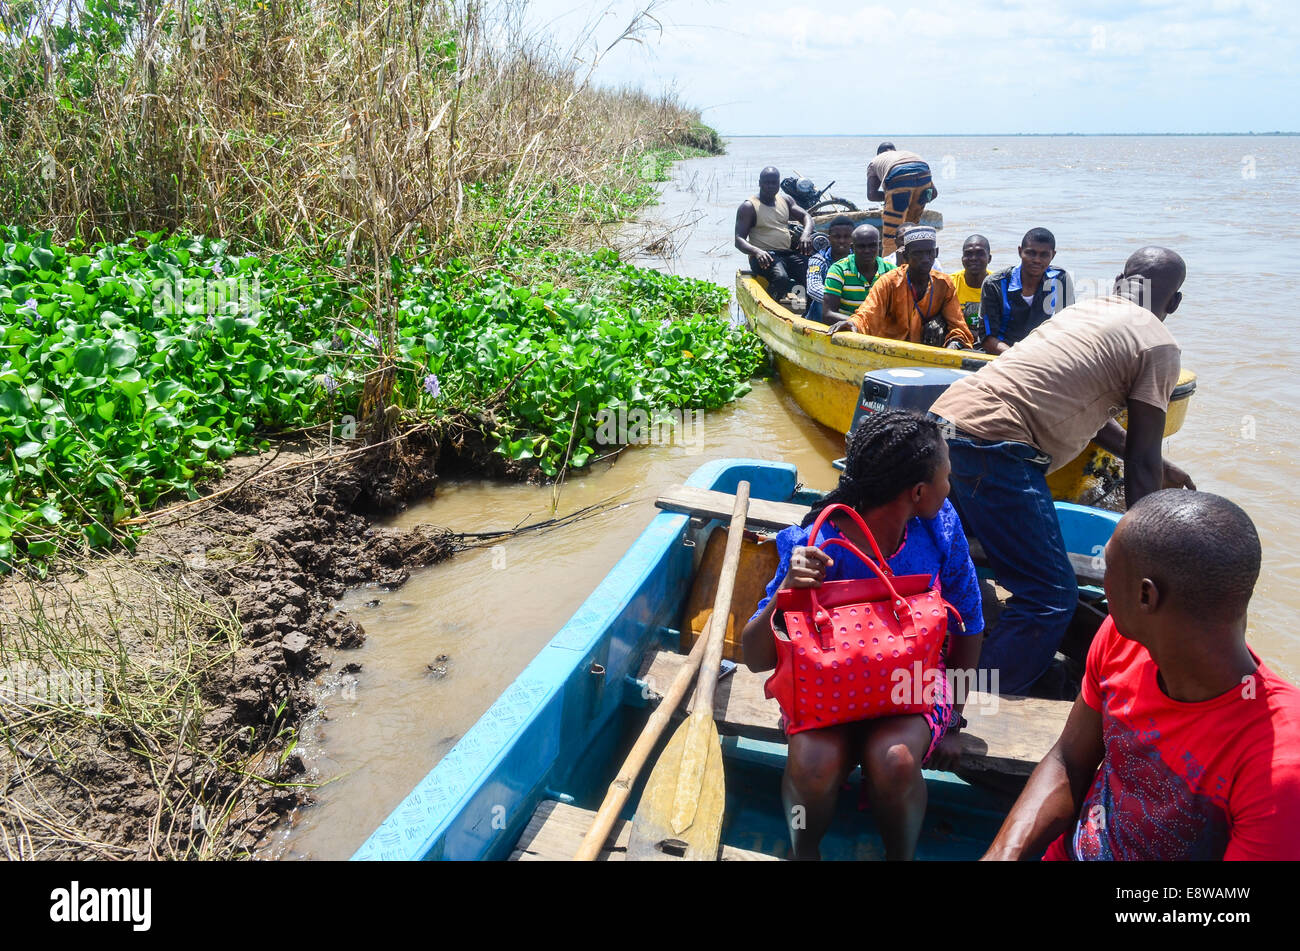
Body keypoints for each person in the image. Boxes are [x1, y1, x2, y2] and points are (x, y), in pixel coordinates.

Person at [929, 246, 1197, 697]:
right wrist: (1146, 563)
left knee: (953, 557)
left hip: (943, 428)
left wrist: (1162, 466)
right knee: (1050, 596)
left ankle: (954, 660)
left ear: (1118, 280)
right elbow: (1142, 462)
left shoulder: (1084, 311)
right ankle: (972, 706)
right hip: (997, 446)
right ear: (1173, 303)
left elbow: (1094, 418)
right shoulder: (1158, 343)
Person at [983, 490, 1300, 861]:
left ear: (1146, 596)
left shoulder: (1279, 766)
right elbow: (1069, 759)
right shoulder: (1121, 638)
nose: (1102, 583)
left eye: (1108, 568)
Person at [741, 411, 985, 860]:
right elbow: (754, 656)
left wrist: (954, 720)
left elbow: (969, 624)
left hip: (911, 687)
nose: (949, 488)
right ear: (917, 492)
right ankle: (803, 850)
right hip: (826, 693)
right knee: (814, 764)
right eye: (946, 478)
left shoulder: (939, 529)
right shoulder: (812, 545)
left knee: (895, 761)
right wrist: (787, 594)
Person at [828, 226, 974, 349]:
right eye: (918, 254)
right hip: (891, 350)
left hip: (926, 350)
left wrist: (954, 345)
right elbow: (867, 315)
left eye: (929, 253)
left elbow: (958, 326)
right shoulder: (889, 282)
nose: (925, 259)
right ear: (905, 255)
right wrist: (852, 323)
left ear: (936, 253)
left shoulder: (944, 284)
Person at [980, 228, 1074, 353]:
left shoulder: (1061, 279)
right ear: (1020, 251)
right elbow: (988, 339)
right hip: (1002, 355)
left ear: (1053, 255)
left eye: (1044, 255)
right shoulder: (994, 284)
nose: (1037, 260)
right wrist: (1018, 357)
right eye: (1031, 253)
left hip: (1041, 353)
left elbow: (1066, 328)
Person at [736, 166, 814, 301]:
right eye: (767, 182)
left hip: (787, 253)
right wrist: (757, 252)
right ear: (760, 183)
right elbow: (738, 240)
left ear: (779, 184)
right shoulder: (749, 206)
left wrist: (806, 235)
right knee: (781, 278)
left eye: (774, 183)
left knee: (811, 273)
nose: (771, 186)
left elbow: (807, 217)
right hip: (764, 257)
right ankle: (769, 305)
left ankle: (805, 310)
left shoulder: (786, 200)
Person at [867, 142, 937, 257]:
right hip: (923, 169)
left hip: (898, 175)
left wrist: (891, 199)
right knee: (912, 233)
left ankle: (889, 271)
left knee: (891, 238)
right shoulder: (907, 154)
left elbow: (871, 195)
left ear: (879, 153)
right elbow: (933, 193)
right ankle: (913, 264)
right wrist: (917, 198)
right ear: (894, 150)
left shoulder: (875, 161)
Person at [821, 223, 896, 321]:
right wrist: (860, 324)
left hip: (880, 332)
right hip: (849, 332)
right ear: (852, 248)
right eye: (861, 246)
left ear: (879, 245)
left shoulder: (891, 271)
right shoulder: (839, 270)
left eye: (872, 245)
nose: (867, 250)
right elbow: (828, 314)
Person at [804, 216, 855, 324]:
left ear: (853, 239)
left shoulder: (858, 259)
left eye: (847, 237)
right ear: (829, 238)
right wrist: (842, 299)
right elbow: (813, 288)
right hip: (820, 318)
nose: (842, 241)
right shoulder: (818, 260)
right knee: (823, 302)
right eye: (837, 237)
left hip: (851, 314)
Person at [951, 234, 991, 347]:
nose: (973, 258)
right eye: (968, 254)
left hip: (989, 341)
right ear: (962, 259)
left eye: (980, 253)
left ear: (990, 258)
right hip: (959, 340)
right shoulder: (950, 283)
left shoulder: (998, 285)